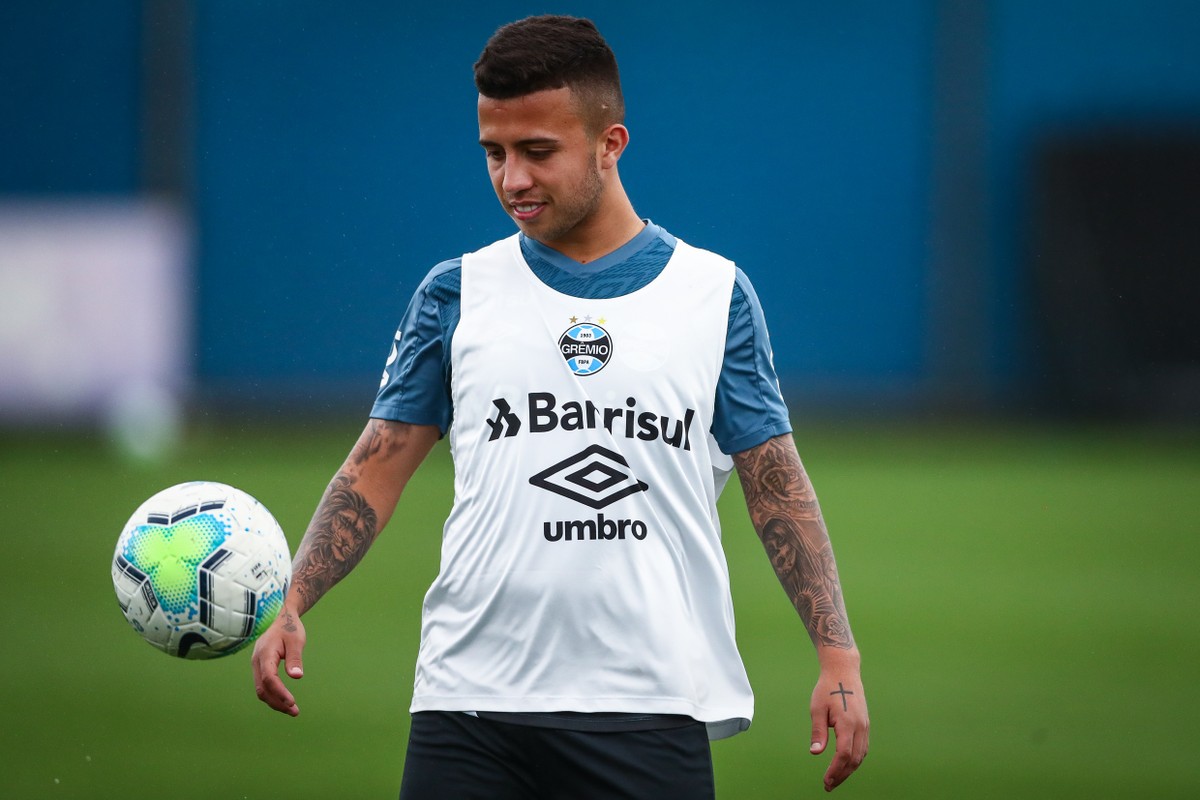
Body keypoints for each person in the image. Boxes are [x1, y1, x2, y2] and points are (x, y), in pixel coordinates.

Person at [252, 14, 869, 798]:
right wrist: (294, 600)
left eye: (538, 152)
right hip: (469, 705)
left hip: (648, 705)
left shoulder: (715, 295)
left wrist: (838, 658)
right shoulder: (455, 292)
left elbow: (775, 484)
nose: (512, 179)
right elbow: (373, 469)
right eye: (494, 153)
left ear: (611, 144)